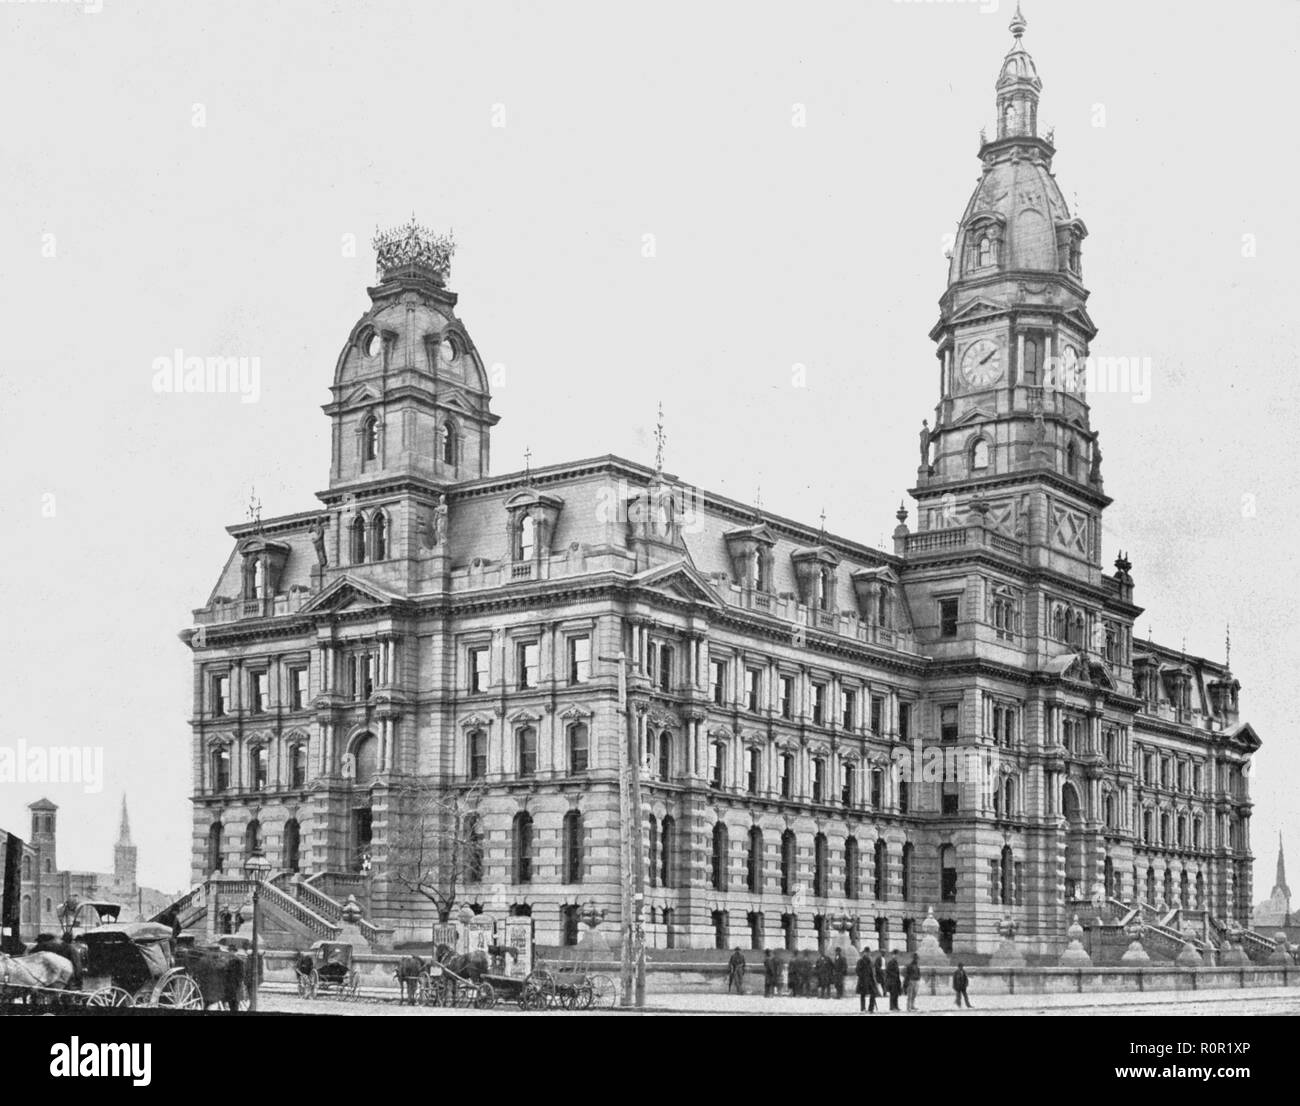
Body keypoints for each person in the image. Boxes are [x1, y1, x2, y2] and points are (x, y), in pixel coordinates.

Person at [855, 949, 879, 1013]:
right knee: (863, 995)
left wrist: (873, 979)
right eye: (866, 952)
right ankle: (863, 1008)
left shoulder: (869, 961)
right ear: (864, 953)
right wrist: (862, 976)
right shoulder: (860, 961)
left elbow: (871, 971)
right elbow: (857, 971)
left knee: (873, 993)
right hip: (863, 980)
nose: (868, 954)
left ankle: (870, 1009)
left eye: (868, 953)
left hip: (870, 980)